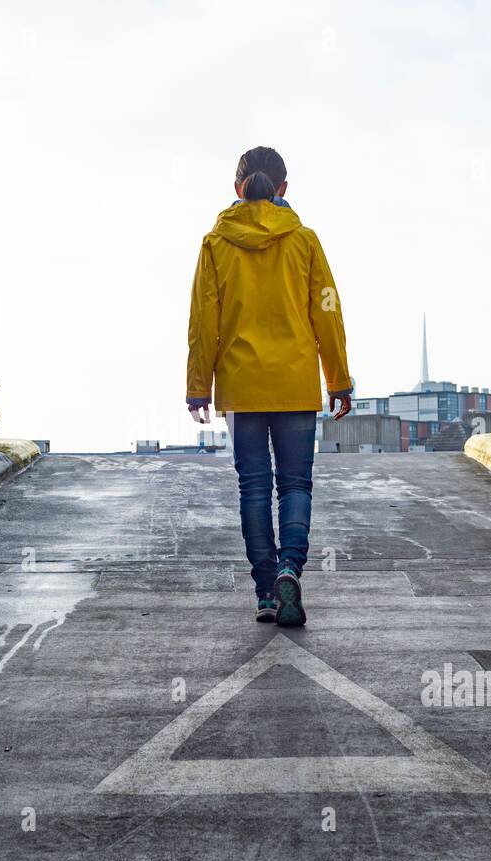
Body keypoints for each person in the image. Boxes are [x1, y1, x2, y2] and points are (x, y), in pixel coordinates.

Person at [185, 146, 352, 627]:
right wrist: (338, 379)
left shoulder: (216, 243)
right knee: (295, 483)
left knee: (253, 488)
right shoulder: (305, 241)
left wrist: (199, 386)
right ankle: (289, 569)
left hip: (242, 386)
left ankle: (264, 592)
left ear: (237, 188)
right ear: (283, 188)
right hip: (295, 382)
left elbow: (203, 320)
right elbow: (327, 311)